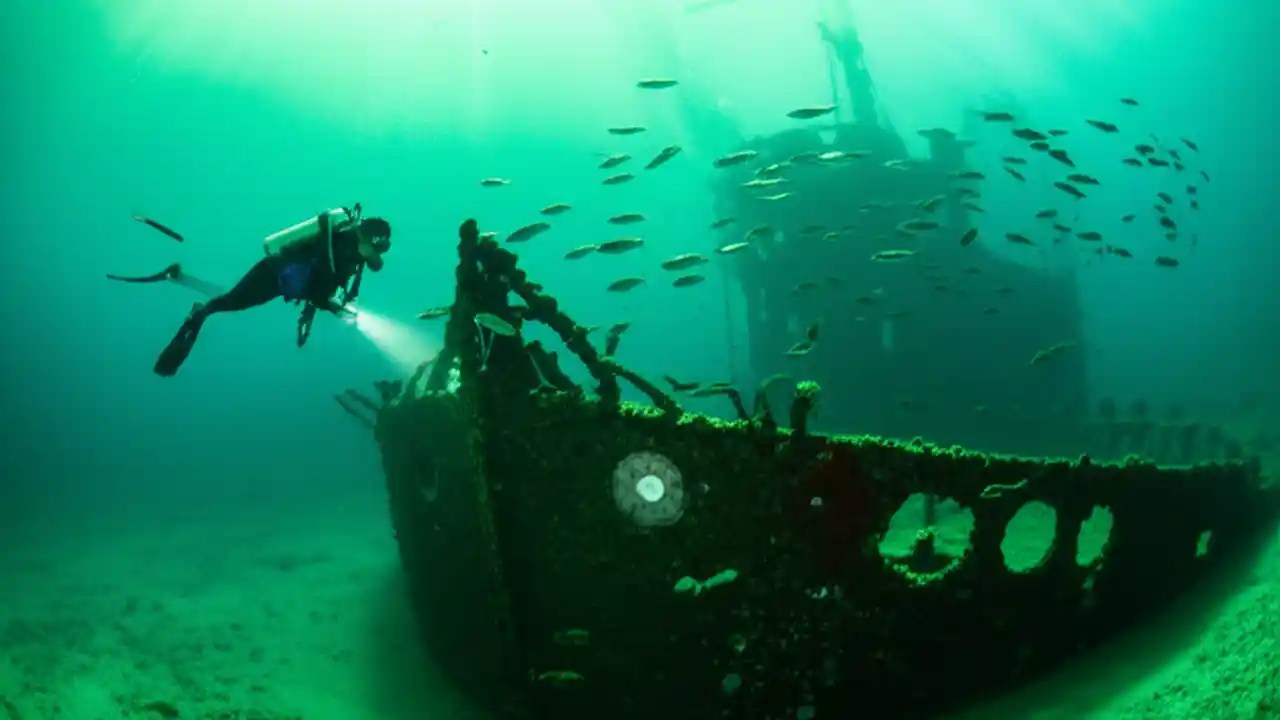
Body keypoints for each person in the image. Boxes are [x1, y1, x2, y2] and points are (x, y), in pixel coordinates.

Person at [152, 206, 392, 377]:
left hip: (281, 282)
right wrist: (332, 306)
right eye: (375, 250)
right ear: (368, 240)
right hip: (274, 274)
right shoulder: (341, 248)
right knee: (231, 301)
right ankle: (198, 315)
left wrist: (331, 304)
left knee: (235, 299)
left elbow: (320, 288)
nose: (374, 258)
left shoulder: (349, 255)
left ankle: (183, 280)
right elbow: (320, 289)